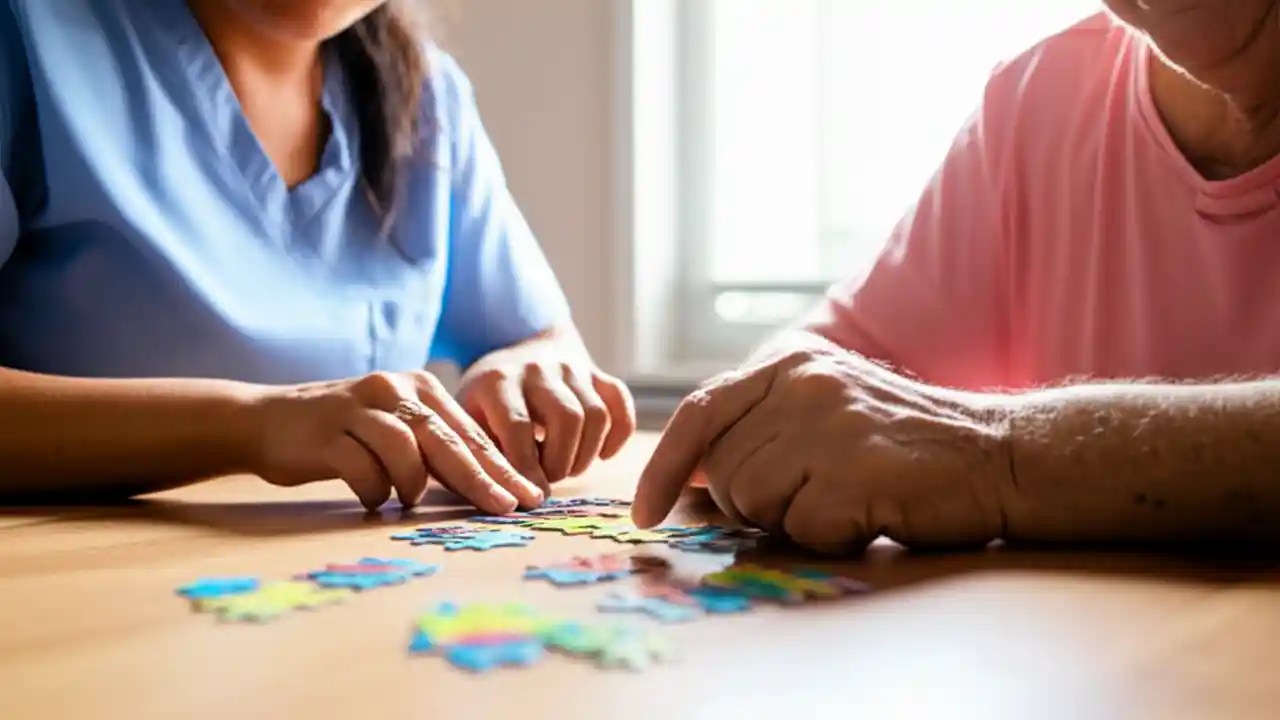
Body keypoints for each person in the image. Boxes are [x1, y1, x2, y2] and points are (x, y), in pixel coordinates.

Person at [633, 0, 1280, 551]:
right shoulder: (1044, 93)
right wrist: (769, 420)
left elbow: (959, 446)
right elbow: (821, 372)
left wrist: (998, 458)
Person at [0, 0, 635, 513]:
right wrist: (249, 424)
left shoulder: (427, 93)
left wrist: (533, 370)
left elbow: (541, 337)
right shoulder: (28, 35)